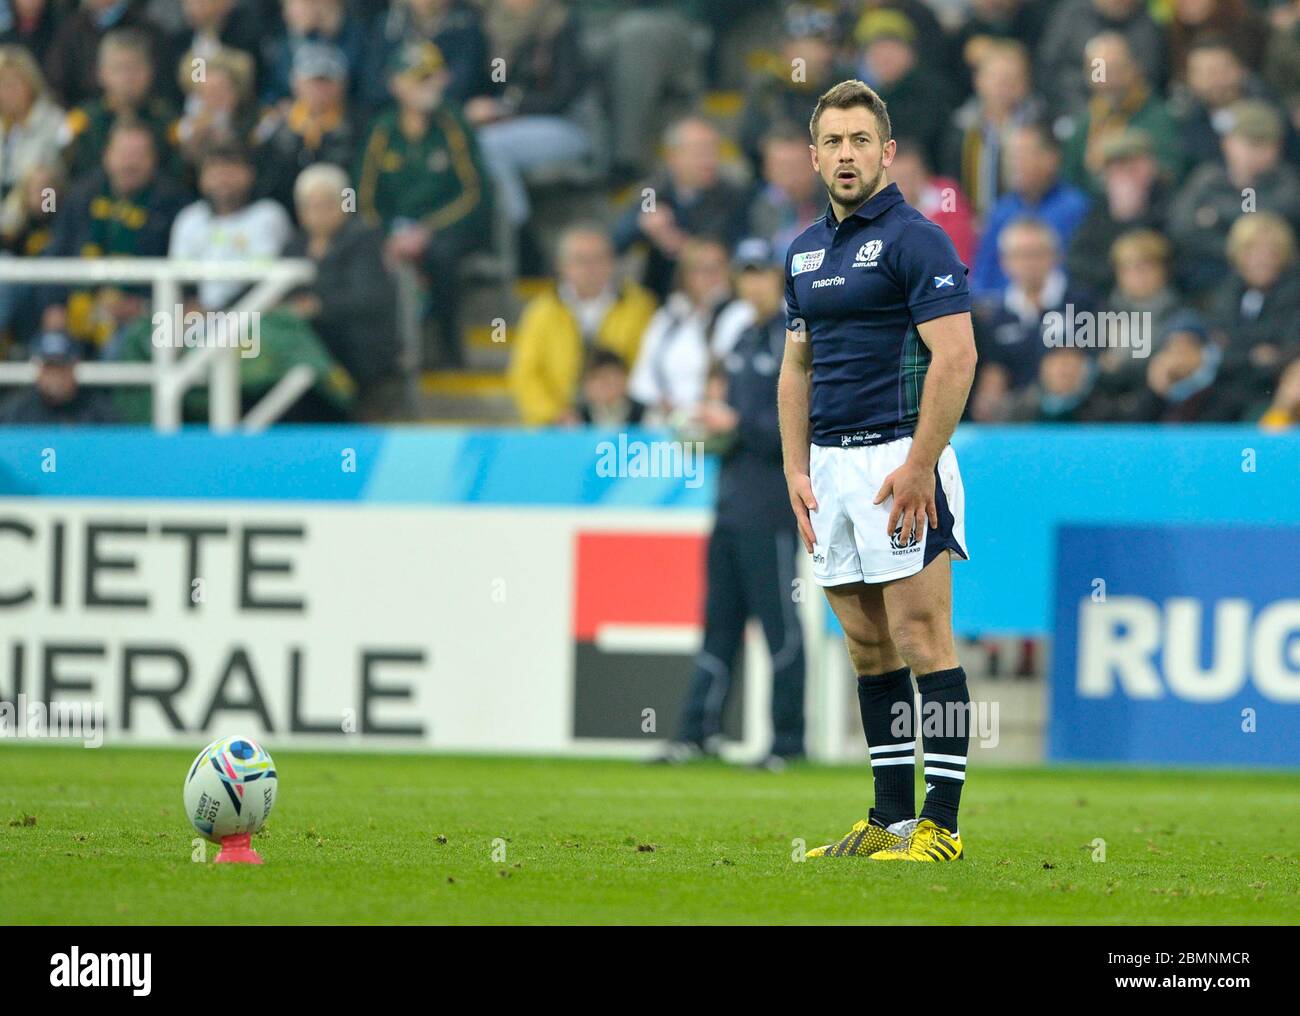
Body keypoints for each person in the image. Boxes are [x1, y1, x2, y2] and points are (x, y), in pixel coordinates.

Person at [781, 80, 976, 861]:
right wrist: (795, 468)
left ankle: (943, 826)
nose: (846, 154)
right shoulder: (801, 251)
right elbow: (797, 367)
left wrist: (922, 463)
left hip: (899, 457)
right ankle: (890, 818)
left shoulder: (916, 240)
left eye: (860, 140)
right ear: (814, 155)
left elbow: (956, 357)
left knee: (923, 637)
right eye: (832, 141)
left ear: (886, 152)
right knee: (868, 647)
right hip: (829, 468)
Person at [660, 237, 807, 769]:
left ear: (779, 278)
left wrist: (737, 424)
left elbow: (800, 428)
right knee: (718, 624)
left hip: (772, 507)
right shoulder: (742, 338)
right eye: (746, 273)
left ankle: (787, 742)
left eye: (762, 272)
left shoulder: (795, 337)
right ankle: (697, 733)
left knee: (779, 628)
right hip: (730, 504)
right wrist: (707, 426)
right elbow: (738, 424)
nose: (753, 284)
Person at [355, 40, 491, 368]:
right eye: (420, 78)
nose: (430, 85)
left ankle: (447, 348)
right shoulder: (382, 129)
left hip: (449, 227)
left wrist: (426, 230)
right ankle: (380, 358)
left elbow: (474, 193)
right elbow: (364, 196)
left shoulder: (453, 123)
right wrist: (387, 234)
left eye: (433, 76)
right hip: (394, 230)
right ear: (396, 84)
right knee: (361, 254)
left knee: (440, 256)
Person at [282, 162, 404, 421]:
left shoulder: (364, 239)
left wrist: (319, 306)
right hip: (308, 342)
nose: (318, 212)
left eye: (326, 204)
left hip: (357, 343)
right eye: (310, 205)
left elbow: (369, 298)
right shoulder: (294, 245)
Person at [508, 223, 656, 426]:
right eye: (581, 260)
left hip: (623, 420)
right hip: (557, 426)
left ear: (612, 262)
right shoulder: (541, 311)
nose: (590, 268)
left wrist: (621, 402)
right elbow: (525, 373)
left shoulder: (639, 306)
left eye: (599, 258)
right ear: (562, 265)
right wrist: (557, 414)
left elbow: (647, 364)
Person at [611, 116, 750, 301]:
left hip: (714, 295)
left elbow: (736, 246)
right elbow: (621, 236)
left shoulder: (733, 194)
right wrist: (644, 223)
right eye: (700, 152)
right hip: (659, 293)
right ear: (674, 157)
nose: (709, 160)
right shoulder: (652, 190)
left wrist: (686, 247)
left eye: (713, 151)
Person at [628, 235, 752, 423]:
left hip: (721, 419)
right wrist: (664, 403)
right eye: (700, 269)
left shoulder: (742, 314)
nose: (710, 277)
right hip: (668, 420)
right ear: (685, 275)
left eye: (717, 268)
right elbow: (642, 381)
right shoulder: (668, 318)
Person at [168, 142, 292, 311]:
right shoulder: (190, 218)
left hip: (255, 314)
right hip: (196, 315)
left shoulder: (268, 216)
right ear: (201, 178)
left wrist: (221, 312)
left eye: (231, 170)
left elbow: (263, 281)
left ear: (250, 174)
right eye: (214, 171)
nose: (223, 179)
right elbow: (179, 278)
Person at [971, 122, 1090, 295]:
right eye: (1011, 156)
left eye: (1024, 155)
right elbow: (981, 278)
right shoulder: (1000, 211)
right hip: (1001, 307)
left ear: (1051, 158)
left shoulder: (1076, 209)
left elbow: (1078, 276)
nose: (1015, 164)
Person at [0, 329, 118, 423]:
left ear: (73, 368)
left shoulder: (99, 414)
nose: (55, 376)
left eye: (62, 367)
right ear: (39, 371)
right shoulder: (16, 413)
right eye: (50, 367)